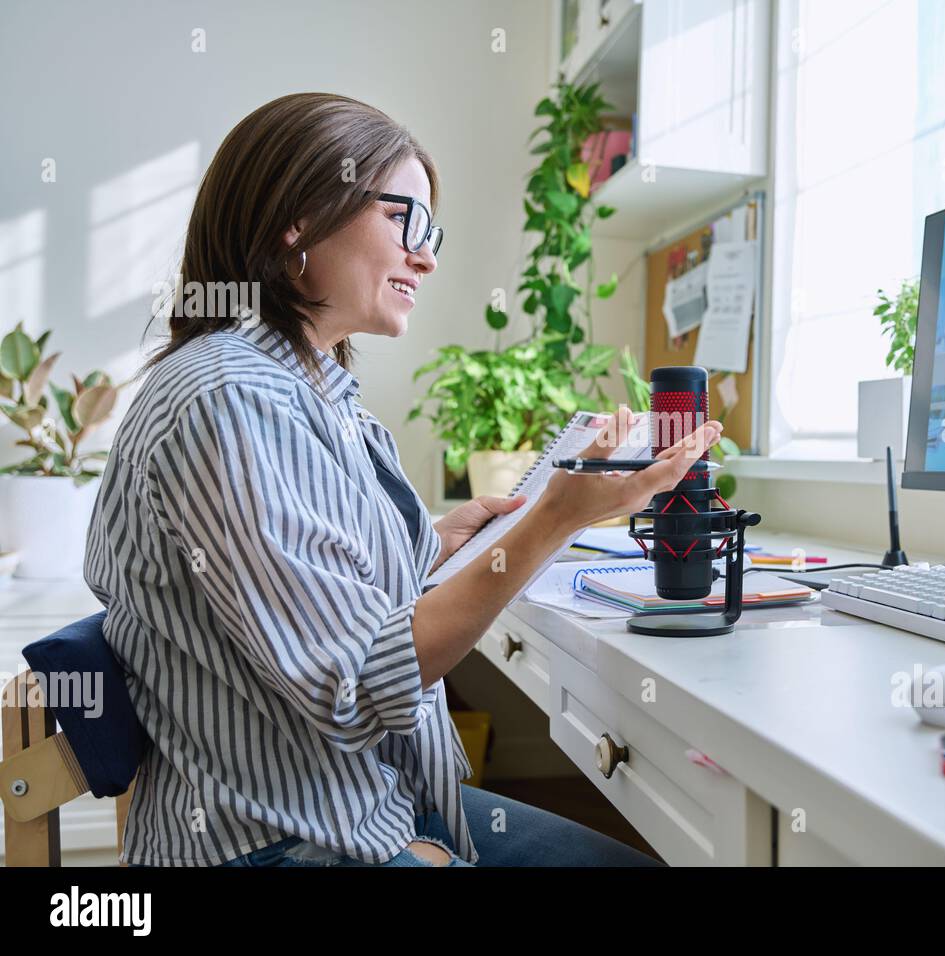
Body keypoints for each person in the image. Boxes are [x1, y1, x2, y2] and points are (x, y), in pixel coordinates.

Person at [84, 93, 720, 867]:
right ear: (299, 216)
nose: (427, 256)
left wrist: (437, 547)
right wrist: (553, 520)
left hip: (363, 807)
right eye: (404, 221)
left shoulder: (307, 393)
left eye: (431, 232)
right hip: (280, 843)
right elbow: (352, 683)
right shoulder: (233, 399)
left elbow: (313, 590)